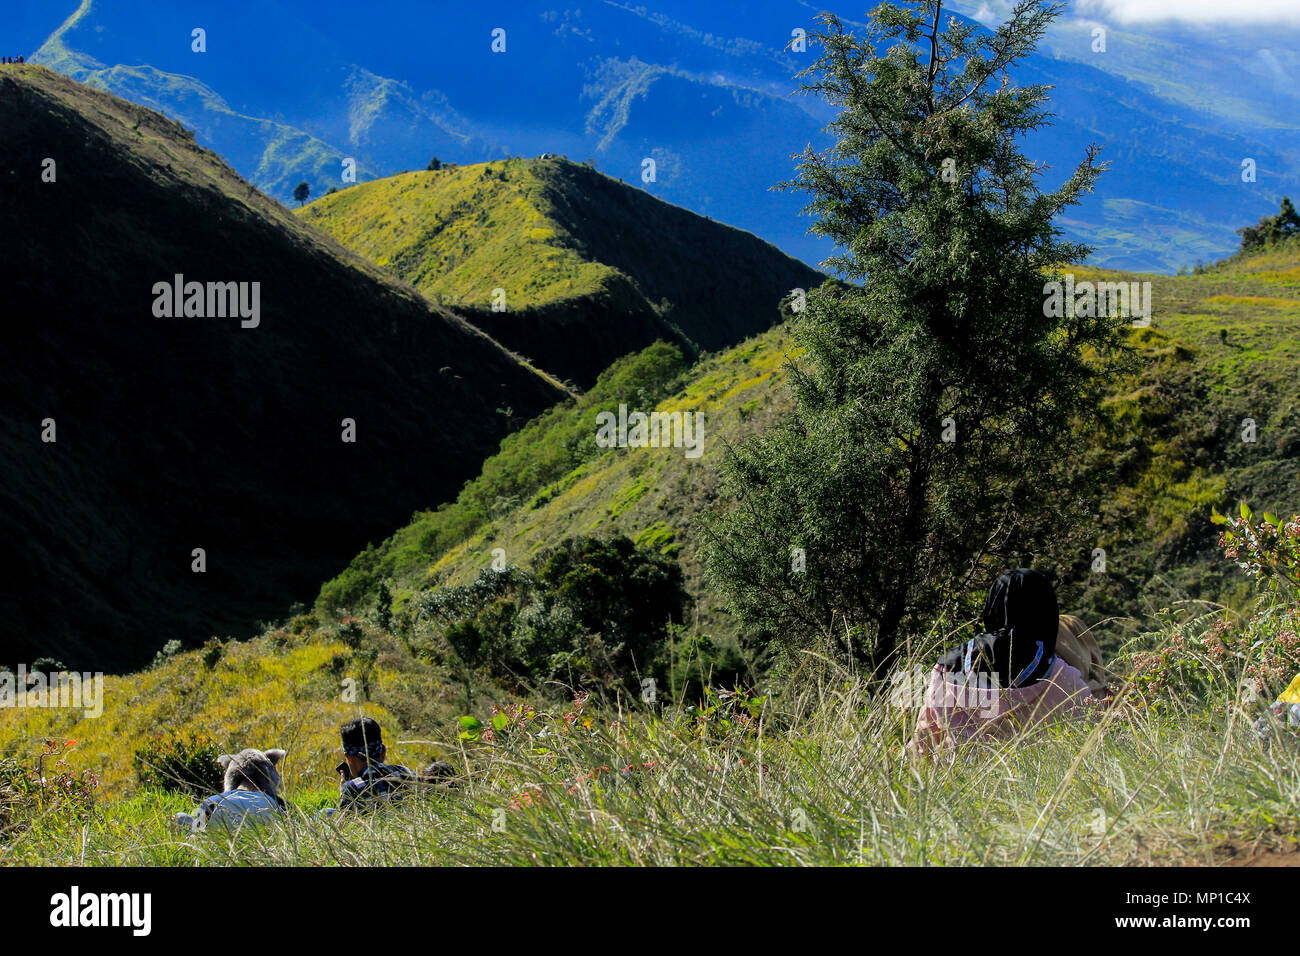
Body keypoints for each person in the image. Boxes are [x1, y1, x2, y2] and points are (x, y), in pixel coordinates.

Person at [911, 568, 1093, 755]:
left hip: (959, 777)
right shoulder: (1063, 679)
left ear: (992, 606)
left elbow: (923, 742)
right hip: (1040, 782)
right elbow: (1088, 740)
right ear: (1047, 611)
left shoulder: (948, 666)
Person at [336, 716, 415, 810]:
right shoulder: (406, 773)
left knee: (326, 812)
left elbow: (344, 821)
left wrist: (344, 790)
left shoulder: (352, 789)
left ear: (349, 758)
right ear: (383, 752)